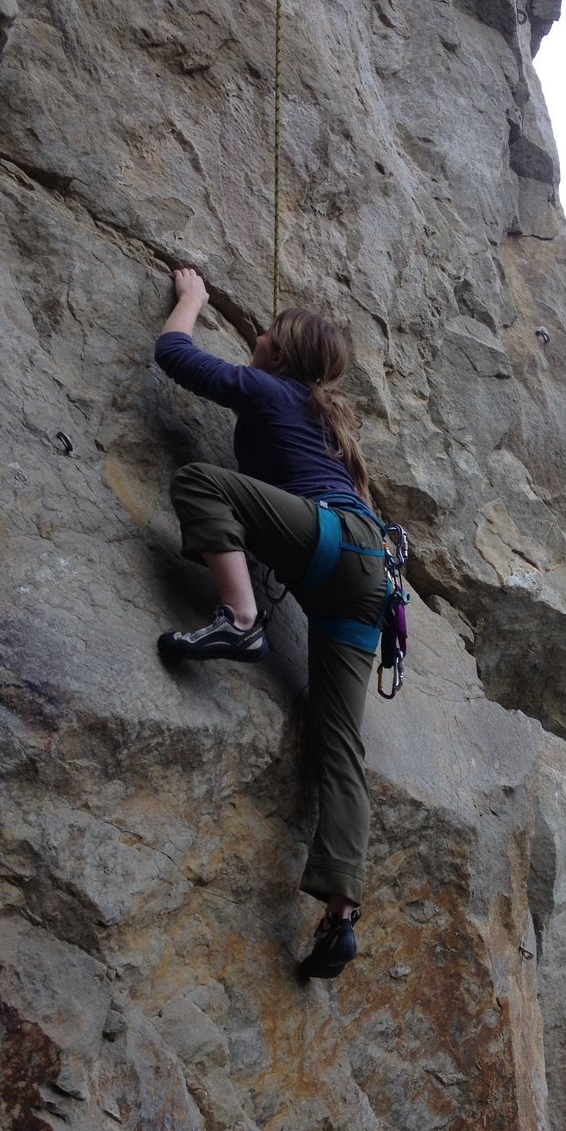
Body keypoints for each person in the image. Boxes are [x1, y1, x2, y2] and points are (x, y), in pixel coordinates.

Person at [154, 268, 388, 979]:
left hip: (329, 545)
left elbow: (175, 358)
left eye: (262, 333)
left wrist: (190, 300)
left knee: (199, 480)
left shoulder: (270, 388)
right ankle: (340, 913)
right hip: (369, 575)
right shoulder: (321, 420)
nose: (252, 337)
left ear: (278, 355)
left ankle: (239, 619)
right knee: (338, 745)